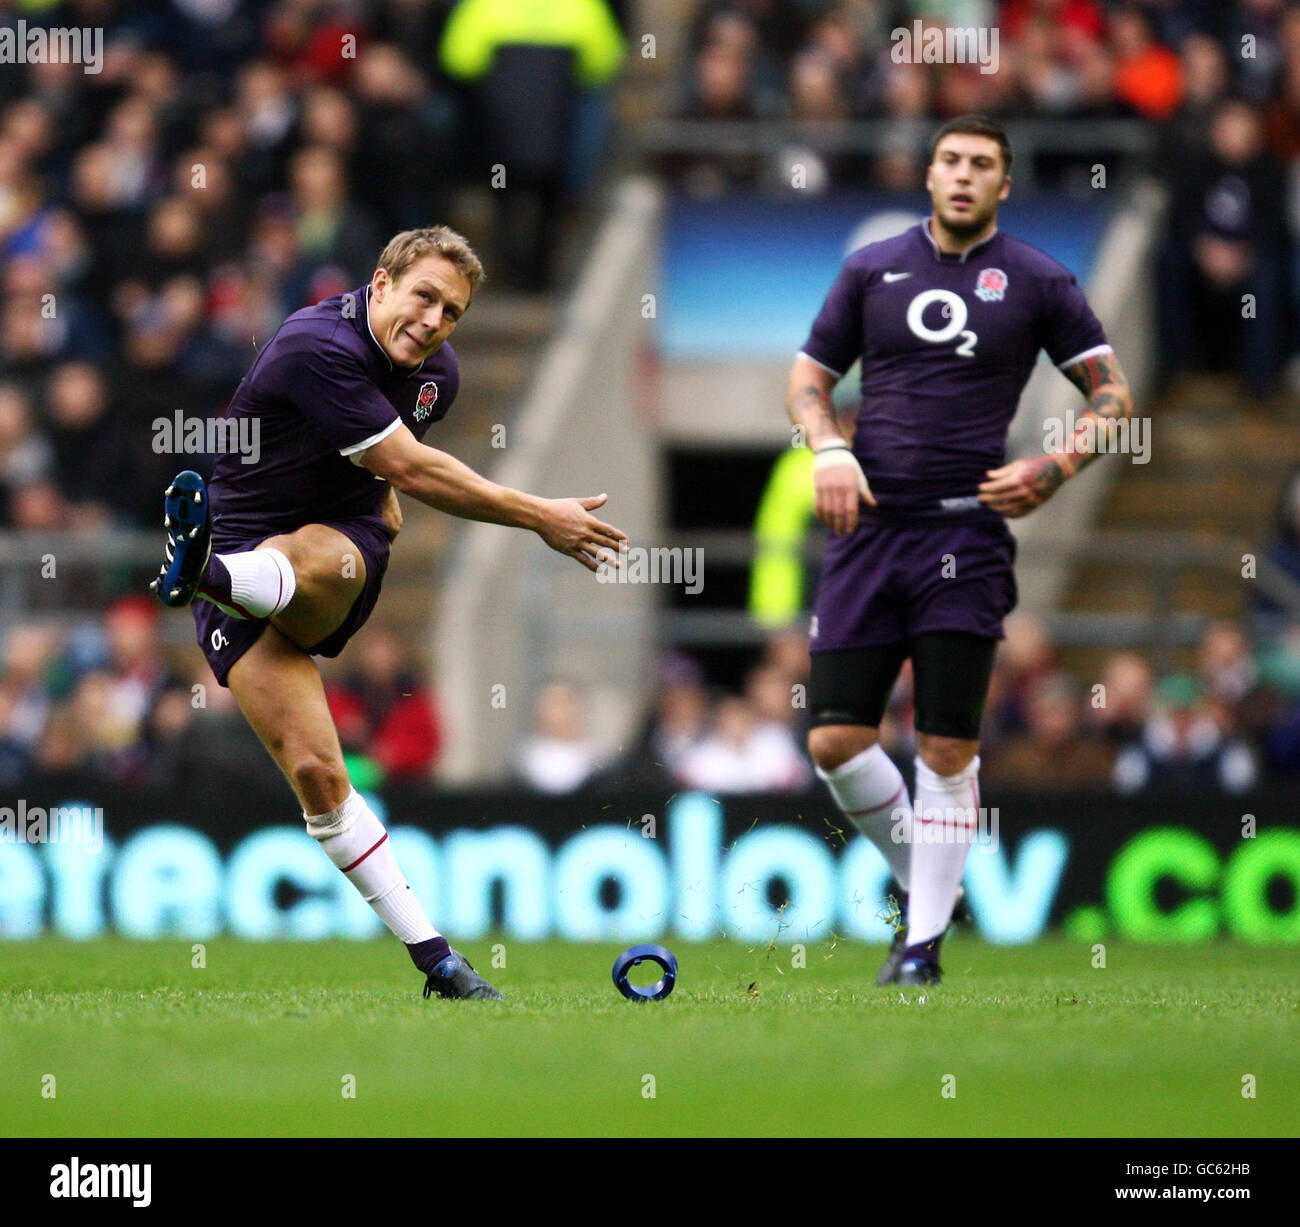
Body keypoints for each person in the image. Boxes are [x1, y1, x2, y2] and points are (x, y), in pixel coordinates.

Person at [148, 225, 626, 1001]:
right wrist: (539, 512)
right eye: (424, 297)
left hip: (339, 548)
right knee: (317, 774)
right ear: (381, 285)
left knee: (318, 554)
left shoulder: (440, 376)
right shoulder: (316, 345)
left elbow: (399, 468)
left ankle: (206, 571)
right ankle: (439, 962)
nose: (435, 321)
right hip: (239, 542)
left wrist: (398, 512)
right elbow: (405, 461)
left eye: (453, 312)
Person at [788, 114, 1133, 986]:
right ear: (931, 175)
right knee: (834, 739)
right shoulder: (871, 269)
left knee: (945, 747)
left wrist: (1054, 467)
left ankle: (921, 947)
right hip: (868, 530)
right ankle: (931, 888)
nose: (965, 175)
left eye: (983, 164)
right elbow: (807, 381)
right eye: (951, 160)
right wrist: (828, 447)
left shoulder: (1040, 280)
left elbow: (1113, 396)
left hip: (965, 534)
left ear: (1004, 186)